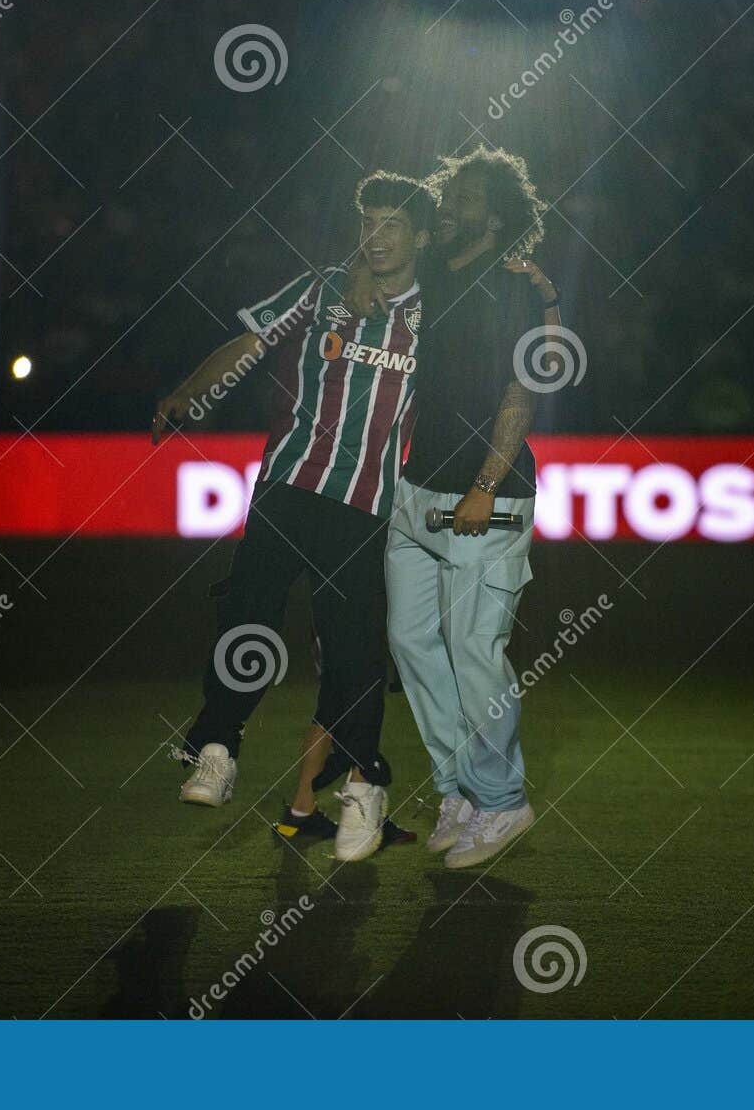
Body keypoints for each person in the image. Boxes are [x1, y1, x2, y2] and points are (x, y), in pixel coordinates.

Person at [151, 172, 434, 862]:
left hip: (365, 504)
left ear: (421, 237)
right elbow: (249, 343)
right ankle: (217, 747)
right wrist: (190, 391)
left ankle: (364, 786)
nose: (380, 234)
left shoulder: (440, 311)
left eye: (394, 223)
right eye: (370, 220)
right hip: (287, 483)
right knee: (247, 610)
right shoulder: (323, 287)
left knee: (354, 649)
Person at [356, 146, 559, 870]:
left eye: (464, 196)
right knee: (412, 644)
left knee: (476, 650)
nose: (447, 206)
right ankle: (460, 791)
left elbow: (520, 393)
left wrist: (486, 482)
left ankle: (504, 801)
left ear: (496, 216)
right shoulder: (436, 273)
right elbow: (368, 272)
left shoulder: (521, 290)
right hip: (416, 491)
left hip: (489, 497)